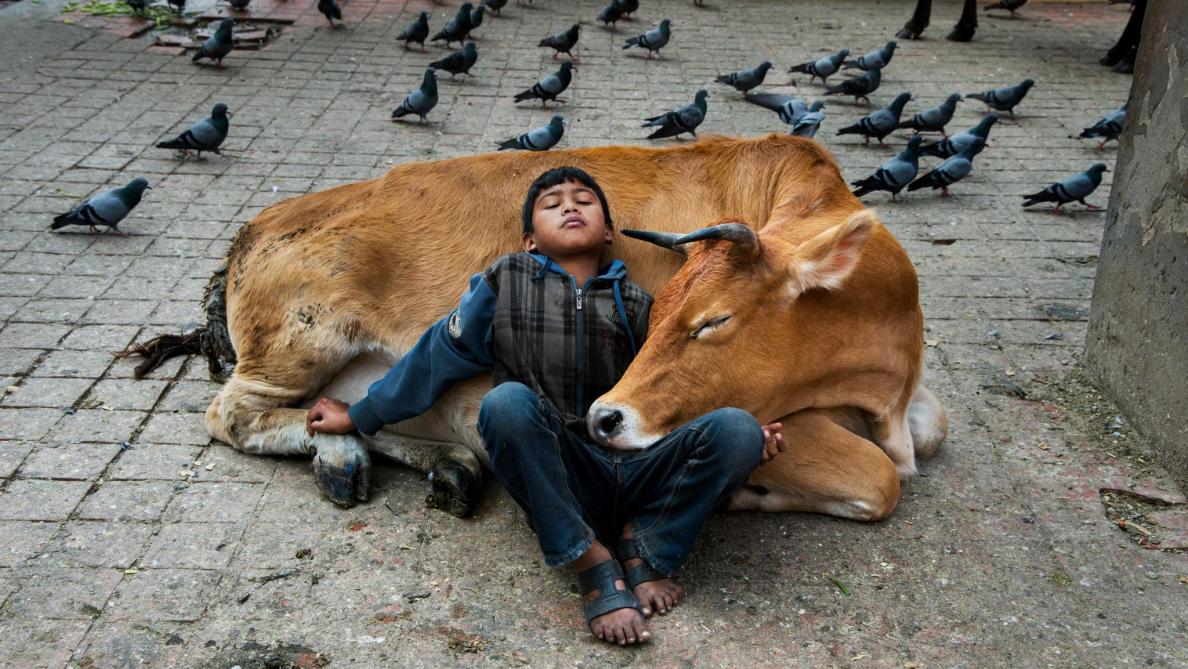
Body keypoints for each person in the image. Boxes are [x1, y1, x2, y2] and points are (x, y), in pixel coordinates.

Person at [305, 166, 785, 645]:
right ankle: (589, 558)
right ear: (530, 240)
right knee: (506, 403)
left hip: (637, 466)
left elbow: (671, 387)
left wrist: (747, 441)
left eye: (584, 200)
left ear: (610, 231)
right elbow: (435, 357)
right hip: (561, 474)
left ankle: (646, 549)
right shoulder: (505, 281)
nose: (570, 206)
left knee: (738, 429)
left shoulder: (640, 304)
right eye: (552, 204)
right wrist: (359, 414)